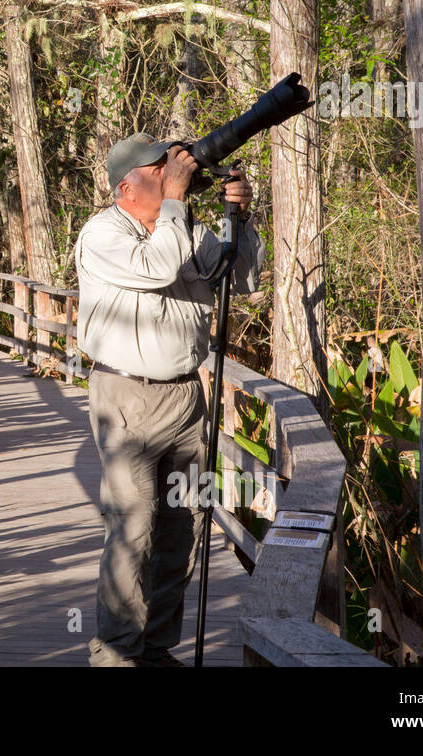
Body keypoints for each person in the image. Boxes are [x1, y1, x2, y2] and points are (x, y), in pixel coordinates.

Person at [74, 131, 264, 667]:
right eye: (163, 168)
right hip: (127, 399)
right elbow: (158, 265)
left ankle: (155, 648)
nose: (174, 173)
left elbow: (242, 278)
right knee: (133, 528)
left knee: (184, 523)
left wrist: (240, 221)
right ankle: (116, 655)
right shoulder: (103, 234)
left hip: (186, 397)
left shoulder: (186, 226)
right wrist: (178, 200)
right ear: (126, 186)